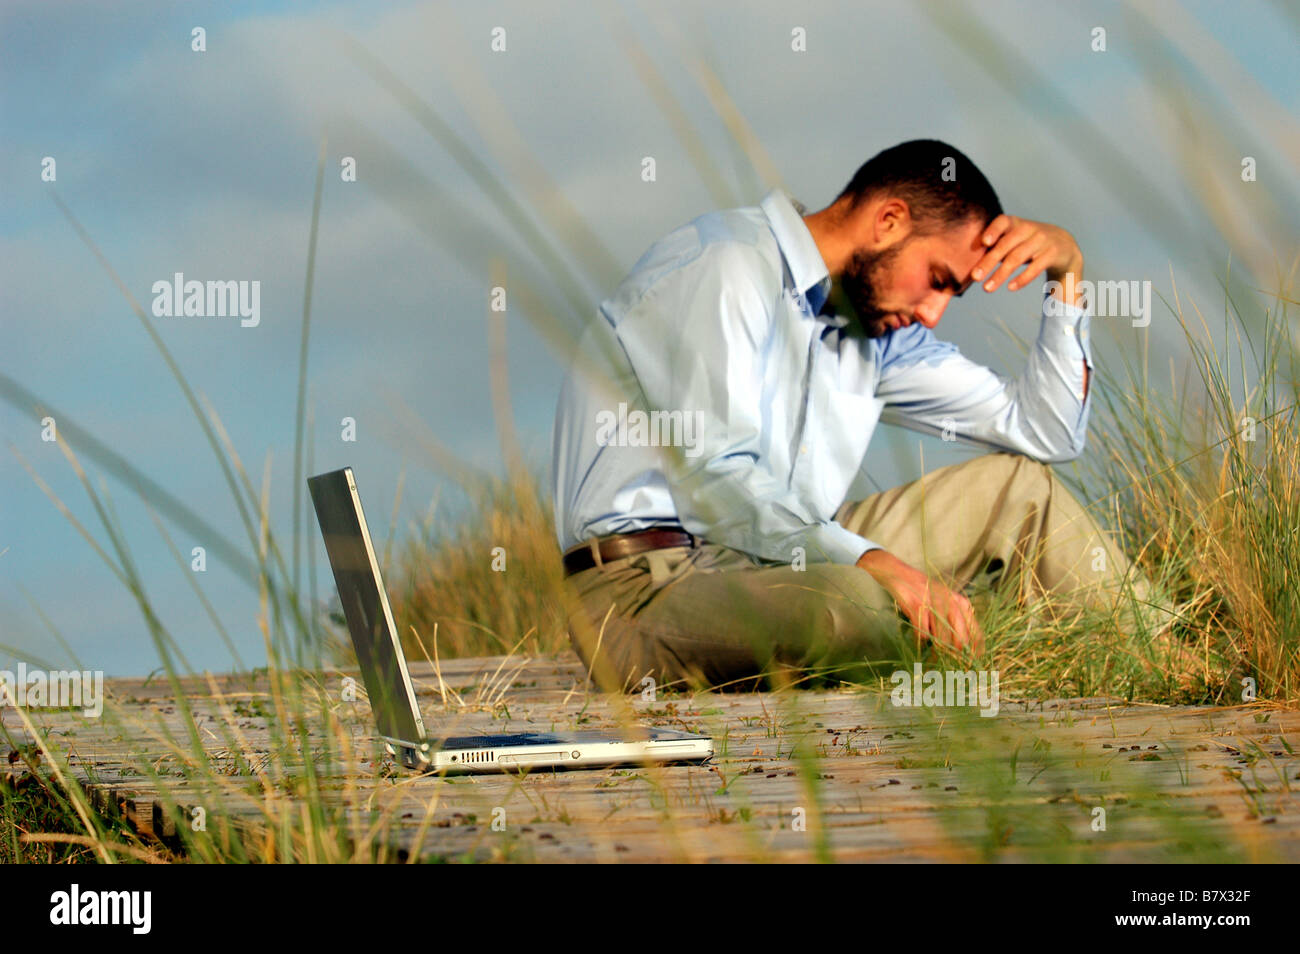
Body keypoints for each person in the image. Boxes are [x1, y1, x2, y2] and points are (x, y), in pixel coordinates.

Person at [550, 139, 1160, 691]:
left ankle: (1176, 661)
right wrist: (873, 561)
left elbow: (1045, 431)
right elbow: (720, 483)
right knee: (858, 603)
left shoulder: (874, 330)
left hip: (776, 561)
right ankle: (993, 647)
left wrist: (1067, 271)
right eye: (938, 280)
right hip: (645, 593)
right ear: (888, 220)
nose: (933, 315)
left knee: (1018, 490)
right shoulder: (727, 266)